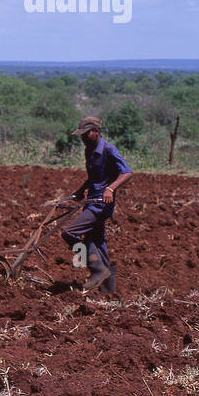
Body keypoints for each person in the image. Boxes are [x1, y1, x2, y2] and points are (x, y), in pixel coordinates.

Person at [61, 115, 134, 295]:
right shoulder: (89, 150)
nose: (83, 138)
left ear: (96, 131)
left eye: (86, 134)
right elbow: (94, 177)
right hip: (91, 201)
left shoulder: (109, 149)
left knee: (70, 232)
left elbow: (127, 172)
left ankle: (97, 270)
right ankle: (109, 291)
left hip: (101, 205)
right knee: (97, 242)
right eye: (81, 135)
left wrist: (110, 188)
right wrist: (80, 191)